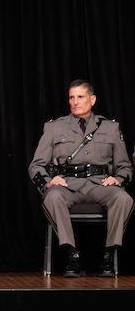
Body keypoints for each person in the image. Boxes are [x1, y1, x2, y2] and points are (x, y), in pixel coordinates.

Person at [28, 80, 133, 277]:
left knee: (123, 198)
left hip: (100, 184)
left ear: (92, 100)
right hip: (68, 185)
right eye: (71, 97)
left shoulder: (110, 127)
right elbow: (36, 165)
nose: (75, 102)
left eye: (80, 97)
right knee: (52, 196)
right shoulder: (54, 128)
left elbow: (125, 166)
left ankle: (109, 254)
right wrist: (49, 181)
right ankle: (71, 254)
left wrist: (118, 179)